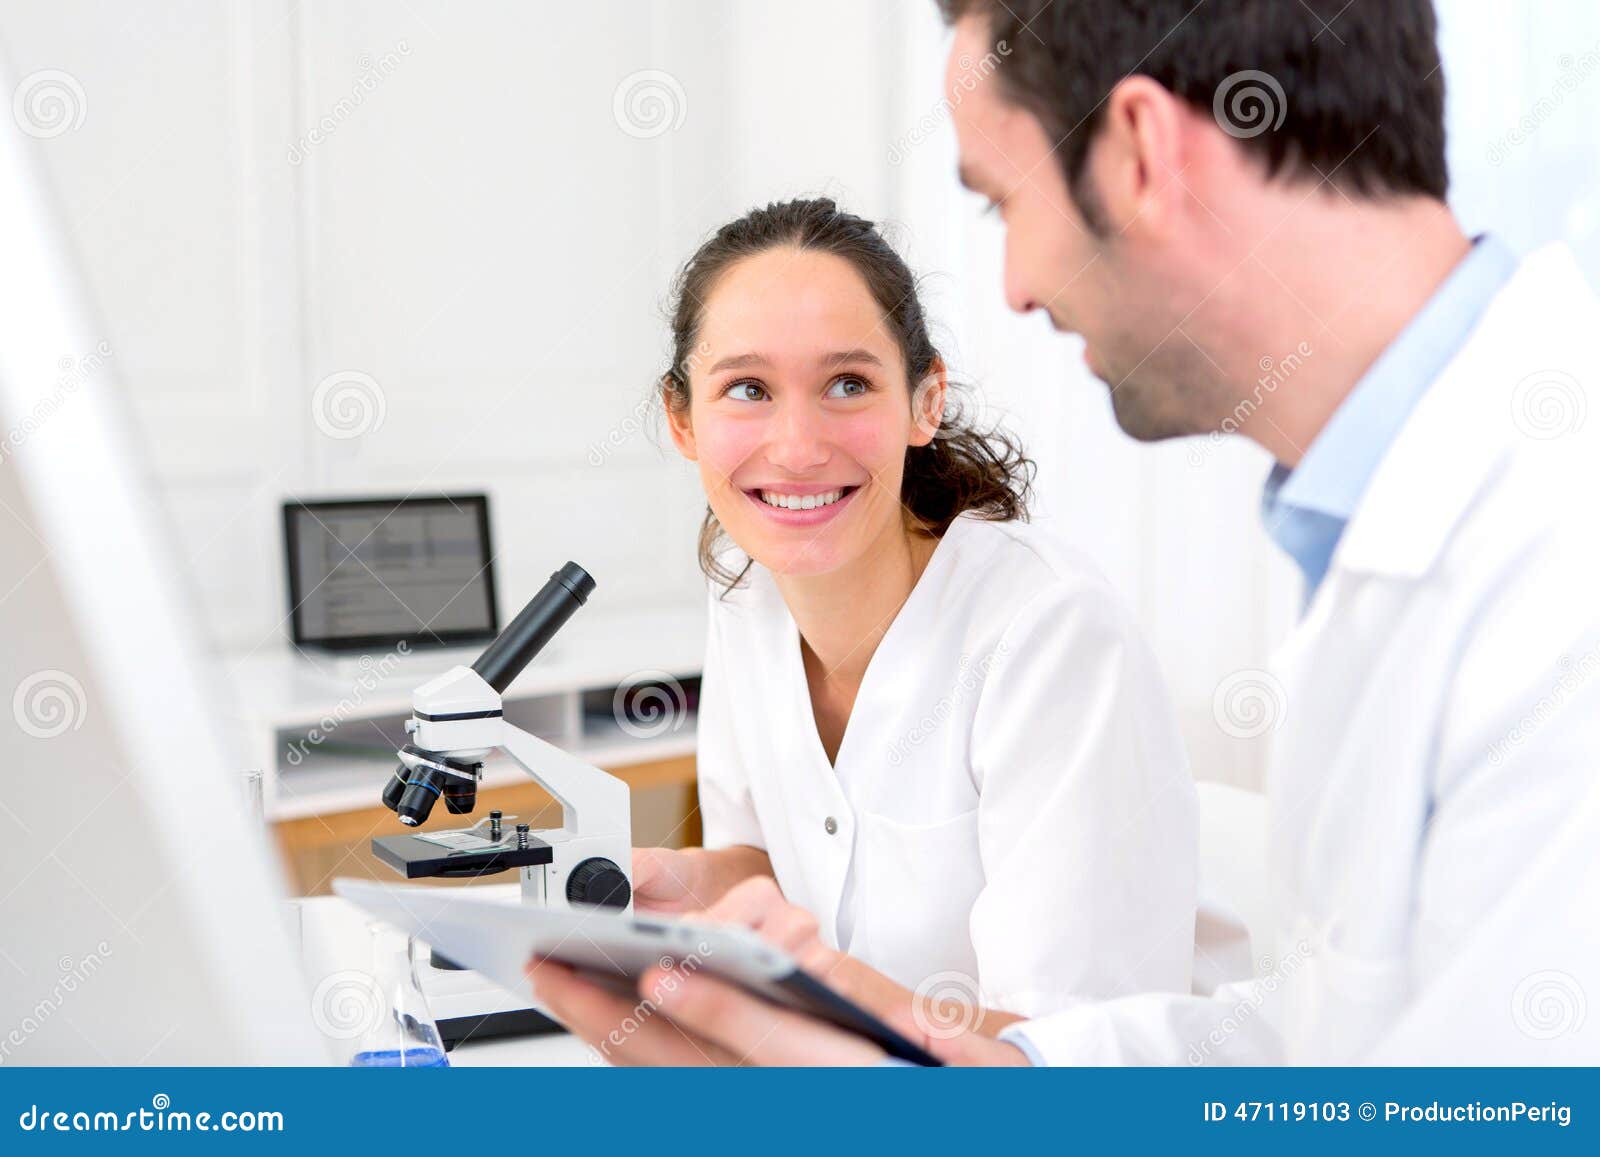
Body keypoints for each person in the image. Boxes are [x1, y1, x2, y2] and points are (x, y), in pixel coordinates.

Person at [529, 0, 1600, 1065]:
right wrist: (911, 1038)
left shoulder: (1548, 555)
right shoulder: (1376, 525)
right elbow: (1328, 1050)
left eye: (1003, 204)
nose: (1017, 287)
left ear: (1138, 151)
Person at [616, 197, 1207, 1026]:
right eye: (747, 388)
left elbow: (1077, 1056)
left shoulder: (1047, 634)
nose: (795, 445)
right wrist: (689, 884)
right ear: (684, 419)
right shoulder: (746, 594)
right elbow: (781, 866)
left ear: (925, 400)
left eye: (847, 383)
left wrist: (826, 987)